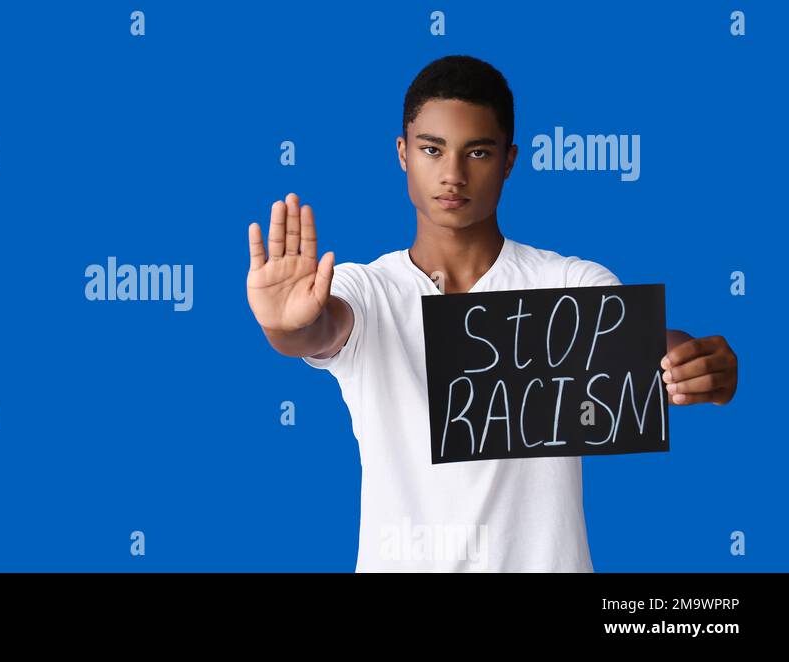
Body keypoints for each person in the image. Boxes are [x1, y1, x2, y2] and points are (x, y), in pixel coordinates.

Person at [244, 54, 738, 572]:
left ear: (508, 161)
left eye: (477, 153)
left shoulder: (566, 281)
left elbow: (638, 345)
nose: (452, 175)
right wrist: (285, 324)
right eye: (432, 150)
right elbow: (320, 330)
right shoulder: (366, 290)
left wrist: (692, 361)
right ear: (403, 154)